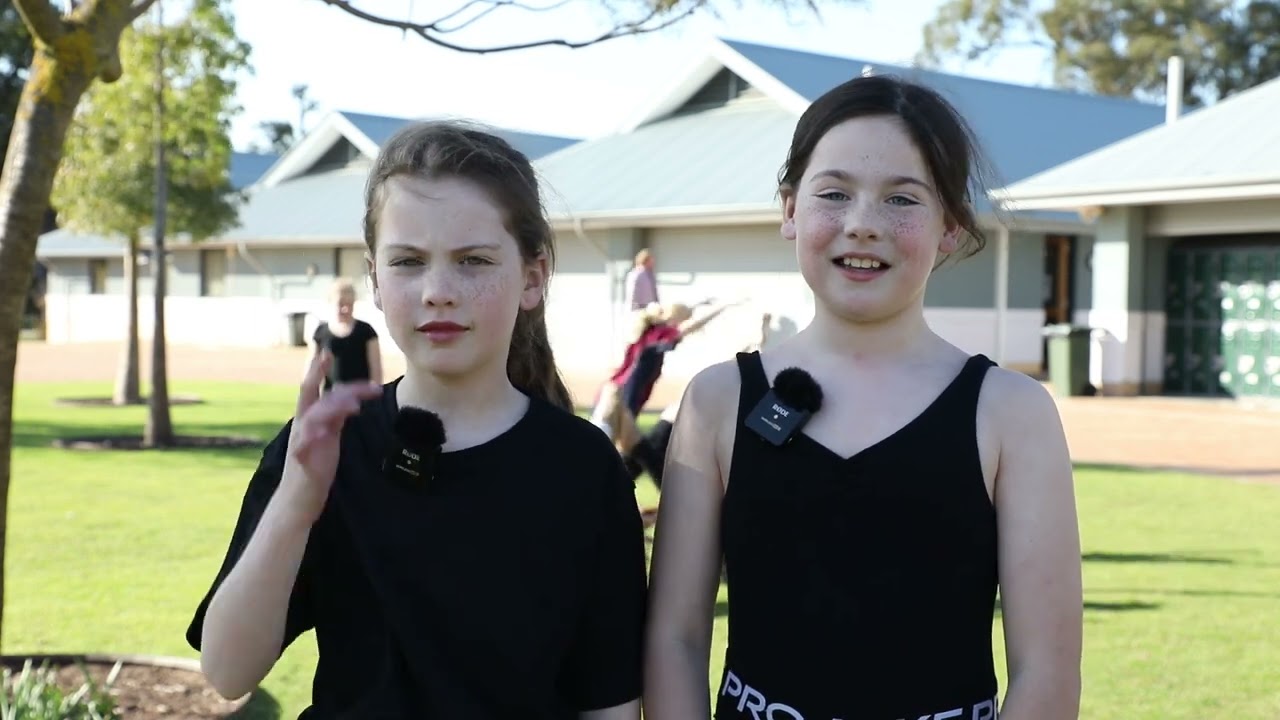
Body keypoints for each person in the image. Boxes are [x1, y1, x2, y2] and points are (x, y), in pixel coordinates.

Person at [643, 74, 1083, 720]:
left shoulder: (1010, 413)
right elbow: (675, 639)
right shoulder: (717, 402)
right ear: (791, 211)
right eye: (834, 193)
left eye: (902, 200)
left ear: (951, 227)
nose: (862, 225)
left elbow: (1046, 670)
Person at [187, 121, 647, 720]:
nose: (438, 290)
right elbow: (228, 671)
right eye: (407, 261)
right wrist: (298, 502)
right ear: (375, 279)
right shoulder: (323, 449)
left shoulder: (583, 468)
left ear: (533, 278)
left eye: (473, 260)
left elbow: (610, 700)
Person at [310, 278, 382, 392]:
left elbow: (376, 373)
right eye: (341, 303)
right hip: (330, 401)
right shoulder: (320, 333)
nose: (345, 308)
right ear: (330, 302)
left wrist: (375, 403)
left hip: (360, 402)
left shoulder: (366, 332)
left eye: (350, 304)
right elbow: (311, 372)